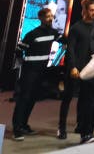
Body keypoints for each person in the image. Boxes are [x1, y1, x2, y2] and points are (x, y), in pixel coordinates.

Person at [11, 7, 60, 141]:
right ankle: (17, 129)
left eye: (51, 16)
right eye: (48, 16)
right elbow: (19, 49)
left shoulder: (53, 33)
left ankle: (24, 125)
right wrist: (23, 64)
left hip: (41, 72)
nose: (50, 19)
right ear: (41, 18)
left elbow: (65, 40)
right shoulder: (33, 34)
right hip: (29, 72)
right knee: (24, 99)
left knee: (32, 99)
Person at [61, 0, 94, 144]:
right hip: (75, 70)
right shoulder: (76, 28)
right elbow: (70, 49)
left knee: (88, 102)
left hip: (90, 70)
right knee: (67, 98)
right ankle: (62, 128)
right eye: (91, 10)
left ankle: (85, 133)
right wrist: (72, 66)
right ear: (84, 10)